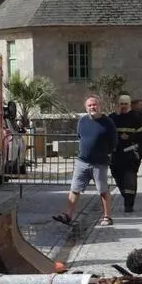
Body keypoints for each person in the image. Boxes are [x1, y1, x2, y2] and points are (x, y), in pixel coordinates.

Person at [53, 95, 117, 226]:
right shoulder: (82, 121)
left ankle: (107, 217)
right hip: (82, 162)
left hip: (99, 163)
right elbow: (80, 136)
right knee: (74, 188)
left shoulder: (108, 122)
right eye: (90, 105)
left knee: (102, 190)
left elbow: (113, 141)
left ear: (99, 106)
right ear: (86, 108)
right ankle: (68, 215)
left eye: (95, 104)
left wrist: (104, 153)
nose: (92, 107)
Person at [109, 94, 142, 213]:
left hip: (131, 153)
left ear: (130, 105)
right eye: (121, 104)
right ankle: (125, 196)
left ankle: (129, 204)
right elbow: (107, 133)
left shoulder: (136, 117)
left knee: (130, 178)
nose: (123, 106)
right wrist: (118, 137)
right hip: (116, 153)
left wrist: (129, 137)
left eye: (125, 104)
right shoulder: (112, 118)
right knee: (117, 176)